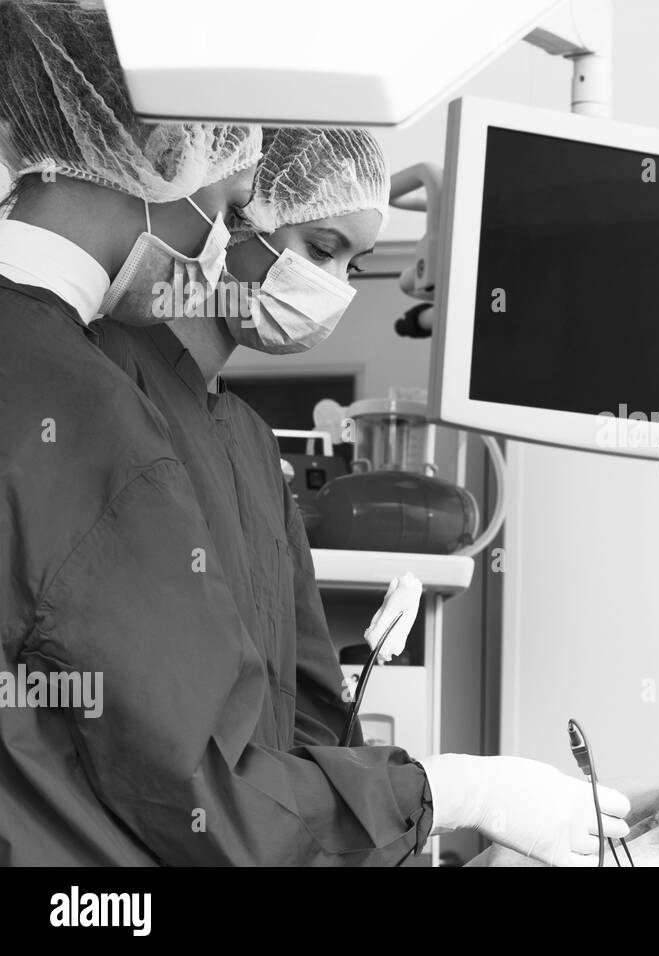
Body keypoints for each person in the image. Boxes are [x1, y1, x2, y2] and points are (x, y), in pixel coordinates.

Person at [0, 0, 627, 865]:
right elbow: (201, 784)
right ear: (155, 157)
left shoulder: (233, 442)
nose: (219, 237)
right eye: (227, 205)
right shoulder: (94, 403)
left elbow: (285, 718)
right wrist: (452, 793)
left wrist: (392, 812)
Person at [95, 126, 392, 749]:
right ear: (237, 214)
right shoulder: (108, 380)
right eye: (321, 248)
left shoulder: (254, 445)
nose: (336, 286)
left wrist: (373, 807)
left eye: (353, 265)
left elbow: (312, 695)